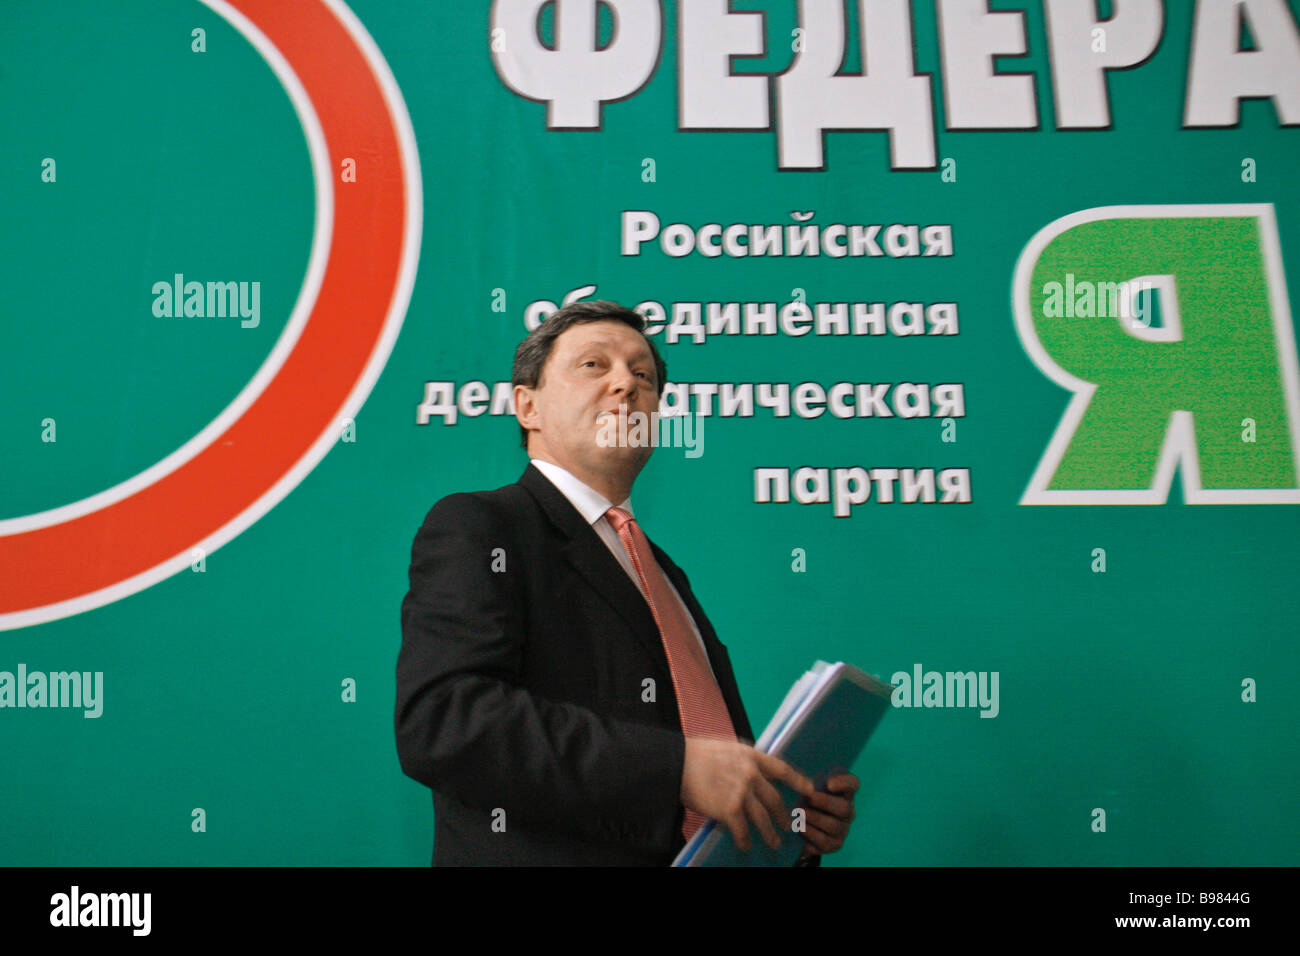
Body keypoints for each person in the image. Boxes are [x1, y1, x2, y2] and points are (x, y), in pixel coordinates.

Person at [395, 300, 858, 865]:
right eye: (595, 365)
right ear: (527, 405)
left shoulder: (661, 571)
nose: (626, 385)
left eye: (644, 375)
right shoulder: (483, 525)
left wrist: (781, 815)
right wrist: (677, 770)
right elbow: (446, 722)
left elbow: (704, 761)